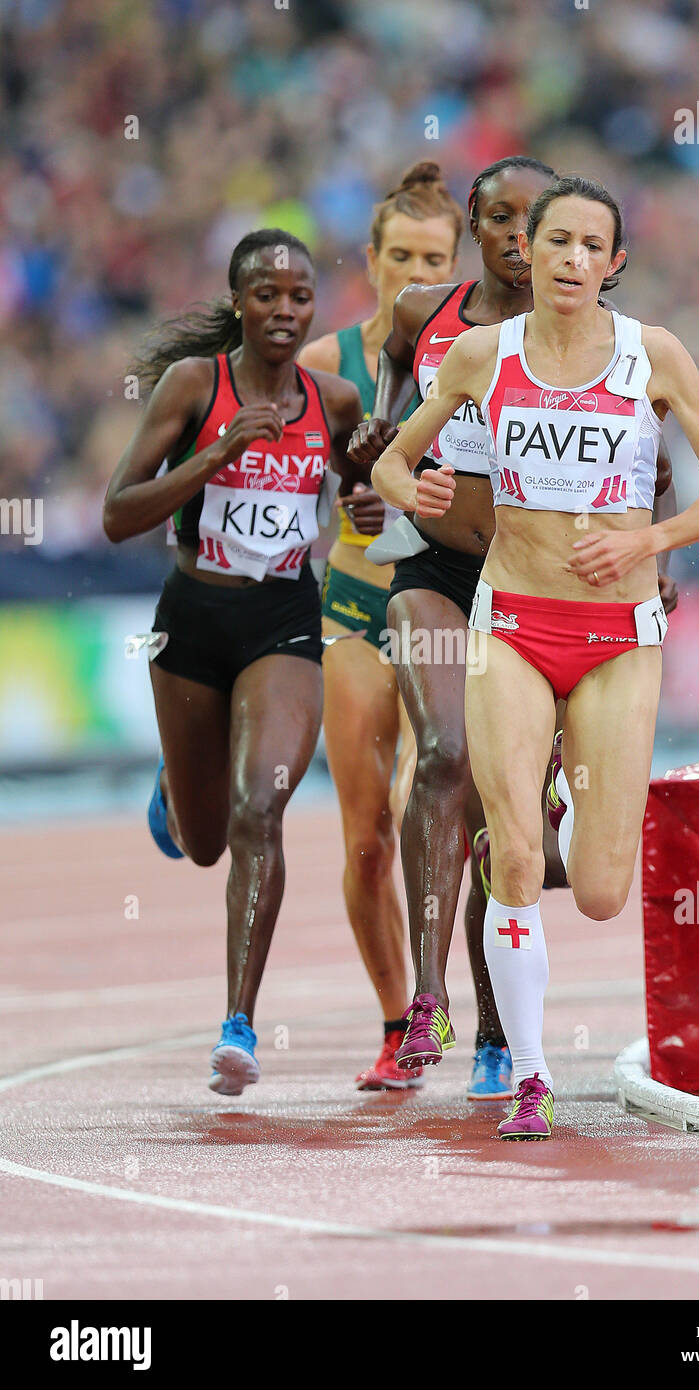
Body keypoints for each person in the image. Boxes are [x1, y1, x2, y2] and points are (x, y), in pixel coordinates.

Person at [370, 175, 699, 1139]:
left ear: (614, 264)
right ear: (528, 254)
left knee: (595, 889)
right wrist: (406, 490)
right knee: (508, 855)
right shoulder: (477, 354)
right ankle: (530, 1073)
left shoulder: (650, 354)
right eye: (559, 243)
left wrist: (646, 543)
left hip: (619, 637)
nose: (574, 260)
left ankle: (556, 790)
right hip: (509, 620)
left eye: (595, 246)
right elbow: (386, 457)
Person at [103, 229, 373, 1096]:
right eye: (267, 295)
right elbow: (117, 513)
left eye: (299, 297)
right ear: (238, 302)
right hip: (193, 617)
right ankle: (176, 800)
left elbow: (359, 498)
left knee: (264, 809)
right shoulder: (195, 386)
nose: (285, 310)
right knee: (209, 839)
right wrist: (216, 455)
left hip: (285, 620)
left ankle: (238, 1025)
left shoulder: (330, 402)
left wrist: (364, 505)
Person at [349, 157, 561, 1099]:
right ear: (474, 222)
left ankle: (490, 1020)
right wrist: (386, 464)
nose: (520, 238)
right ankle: (427, 999)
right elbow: (389, 423)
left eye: (538, 223)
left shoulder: (583, 336)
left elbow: (656, 472)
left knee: (503, 803)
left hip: (533, 585)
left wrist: (658, 569)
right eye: (502, 218)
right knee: (440, 755)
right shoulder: (419, 315)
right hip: (432, 570)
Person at [298, 162, 463, 1091]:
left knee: (431, 804)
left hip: (442, 605)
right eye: (397, 255)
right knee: (367, 834)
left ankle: (476, 1016)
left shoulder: (480, 352)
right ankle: (400, 1024)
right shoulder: (329, 366)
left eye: (432, 258)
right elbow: (292, 492)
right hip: (357, 607)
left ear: (456, 263)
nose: (411, 272)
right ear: (369, 259)